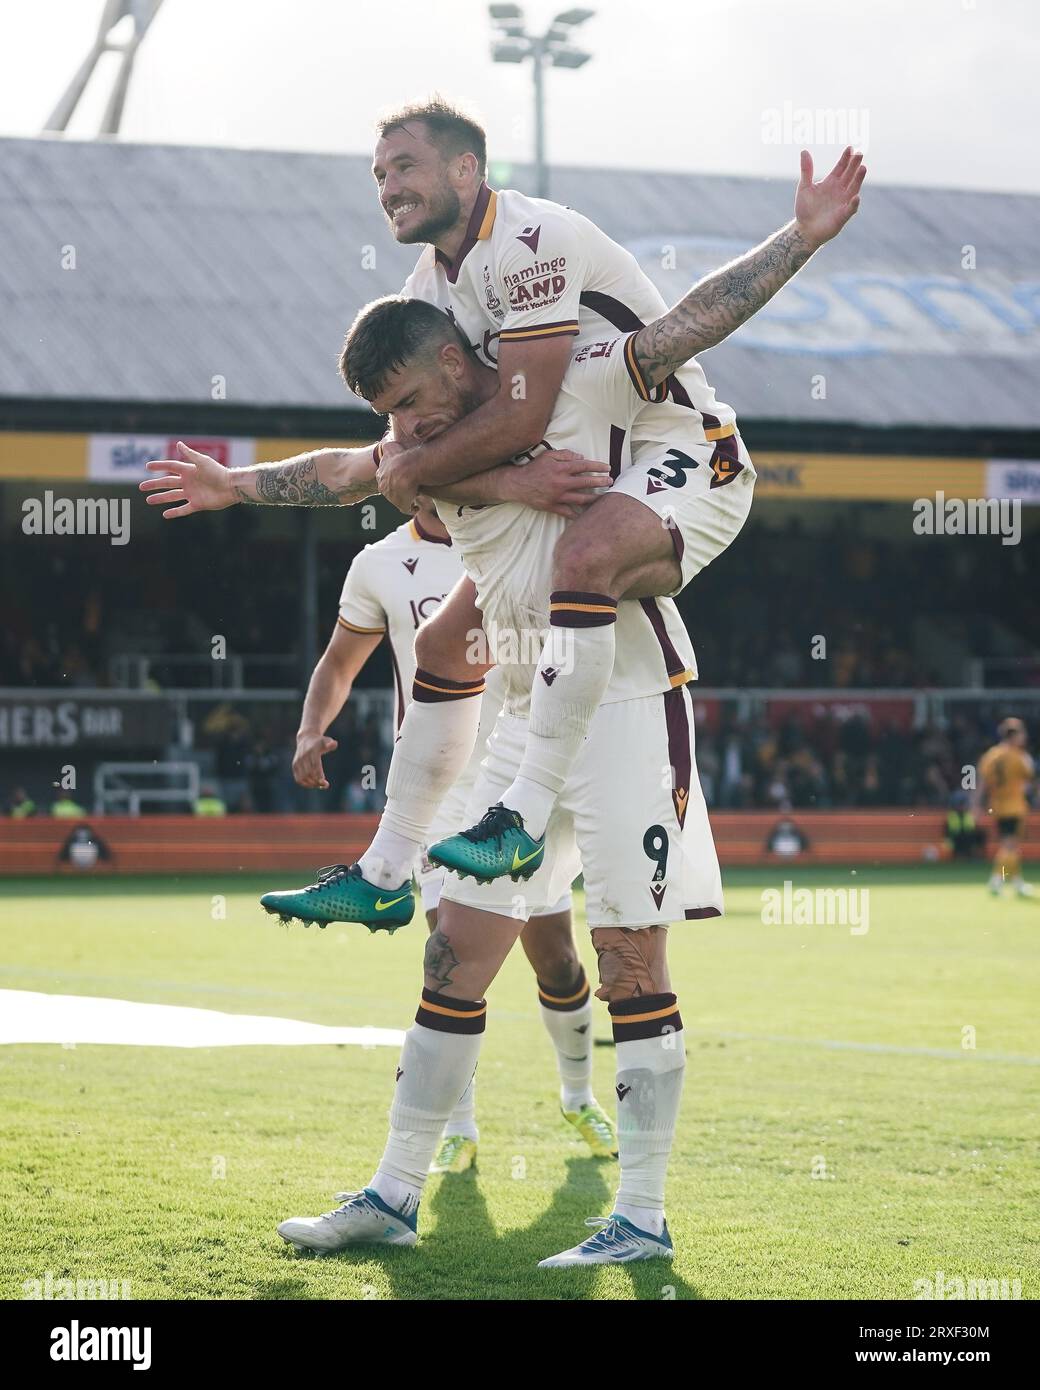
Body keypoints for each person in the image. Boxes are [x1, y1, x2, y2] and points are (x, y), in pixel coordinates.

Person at [142, 100, 864, 910]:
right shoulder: (426, 296)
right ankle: (385, 874)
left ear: (465, 169)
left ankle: (520, 810)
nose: (387, 187)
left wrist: (801, 236)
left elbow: (636, 355)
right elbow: (380, 464)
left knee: (583, 556)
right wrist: (238, 486)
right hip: (582, 470)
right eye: (378, 174)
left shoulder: (532, 242)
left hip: (680, 450)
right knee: (447, 647)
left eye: (404, 167)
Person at [270, 291, 724, 1268]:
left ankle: (639, 1216)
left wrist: (803, 236)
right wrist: (230, 482)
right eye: (387, 415)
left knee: (628, 967)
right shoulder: (426, 456)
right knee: (452, 962)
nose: (403, 431)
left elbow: (672, 342)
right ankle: (393, 1195)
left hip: (627, 705)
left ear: (454, 355)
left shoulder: (572, 397)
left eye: (408, 401)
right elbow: (344, 470)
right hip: (521, 715)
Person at [280, 494, 617, 1168]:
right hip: (440, 788)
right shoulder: (378, 563)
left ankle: (578, 1096)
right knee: (450, 958)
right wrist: (312, 728)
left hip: (522, 777)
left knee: (557, 957)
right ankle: (458, 1126)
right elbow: (340, 661)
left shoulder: (510, 532)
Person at [977, 717, 1034, 896]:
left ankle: (1016, 882)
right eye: (1022, 733)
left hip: (998, 806)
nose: (1024, 737)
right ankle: (997, 879)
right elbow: (1030, 779)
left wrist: (974, 804)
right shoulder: (1019, 757)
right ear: (1014, 735)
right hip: (1015, 806)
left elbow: (980, 782)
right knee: (1009, 847)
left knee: (1011, 847)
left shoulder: (991, 755)